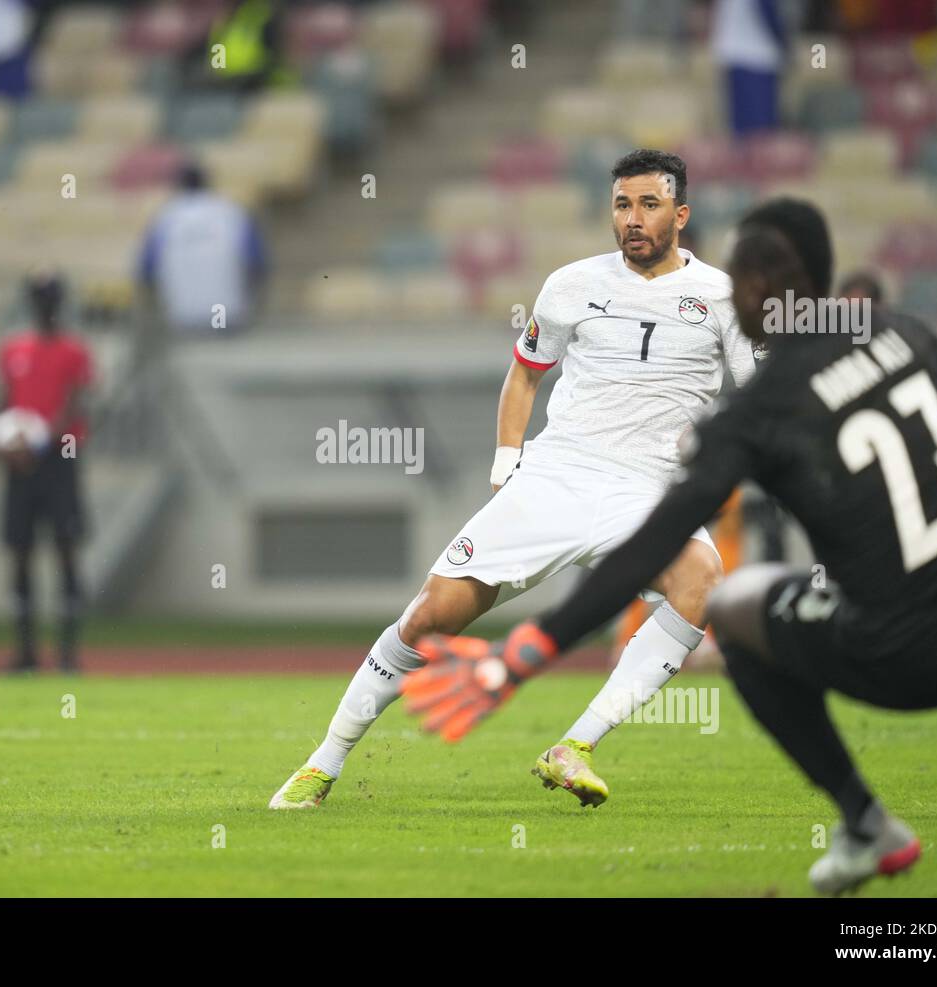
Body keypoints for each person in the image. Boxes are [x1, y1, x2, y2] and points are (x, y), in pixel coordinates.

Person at [403, 199, 937, 895]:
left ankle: (866, 822)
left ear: (751, 291)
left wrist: (528, 649)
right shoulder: (892, 328)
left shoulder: (757, 412)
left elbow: (650, 544)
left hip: (906, 646)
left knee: (739, 608)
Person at [269, 149, 760, 810]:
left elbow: (764, 390)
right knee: (429, 617)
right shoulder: (570, 284)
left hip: (648, 491)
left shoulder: (723, 297)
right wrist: (508, 462)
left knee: (699, 580)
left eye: (649, 204)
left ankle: (576, 745)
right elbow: (527, 372)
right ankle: (323, 763)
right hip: (558, 474)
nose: (634, 219)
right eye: (622, 205)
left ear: (681, 212)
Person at [0, 270, 94, 674]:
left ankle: (68, 651)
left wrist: (41, 438)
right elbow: (1, 402)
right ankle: (26, 650)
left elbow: (77, 402)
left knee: (66, 549)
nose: (44, 307)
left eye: (49, 299)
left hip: (58, 460)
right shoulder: (12, 351)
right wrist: (6, 440)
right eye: (39, 299)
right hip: (20, 463)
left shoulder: (74, 352)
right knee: (20, 552)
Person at [136, 161, 267, 344]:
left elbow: (146, 269)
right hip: (226, 317)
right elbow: (257, 263)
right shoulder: (231, 212)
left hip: (182, 318)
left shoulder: (166, 217)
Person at [711, 0, 787, 137]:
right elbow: (767, 10)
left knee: (742, 125)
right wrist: (784, 43)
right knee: (759, 128)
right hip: (756, 55)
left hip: (735, 52)